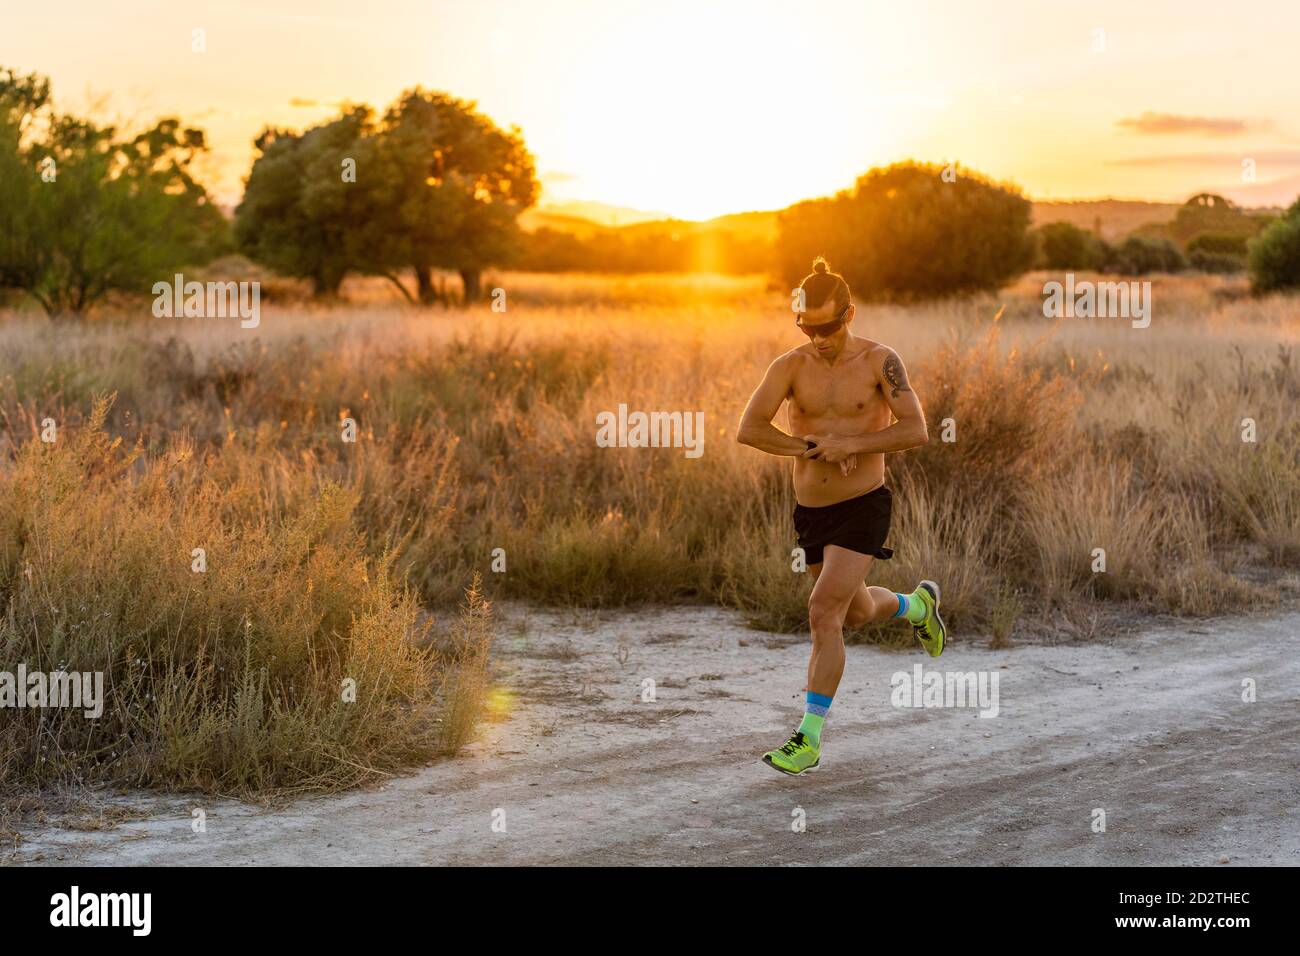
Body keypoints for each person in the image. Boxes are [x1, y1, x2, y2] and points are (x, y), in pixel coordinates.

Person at [736, 257, 946, 776]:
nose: (818, 336)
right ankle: (915, 606)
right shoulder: (789, 366)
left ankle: (807, 738)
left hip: (862, 507)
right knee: (852, 613)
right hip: (811, 511)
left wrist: (852, 442)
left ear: (850, 314)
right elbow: (750, 429)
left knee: (822, 611)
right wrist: (807, 448)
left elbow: (917, 428)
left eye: (828, 326)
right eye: (807, 326)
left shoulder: (881, 361)